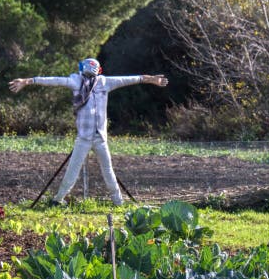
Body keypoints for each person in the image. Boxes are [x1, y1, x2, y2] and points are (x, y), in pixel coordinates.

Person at [9, 58, 168, 206]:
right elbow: (54, 81)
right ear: (99, 69)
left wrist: (28, 81)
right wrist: (28, 81)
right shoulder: (79, 81)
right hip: (84, 138)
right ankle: (60, 199)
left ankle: (116, 201)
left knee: (103, 170)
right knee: (79, 170)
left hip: (99, 138)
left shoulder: (101, 82)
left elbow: (131, 79)